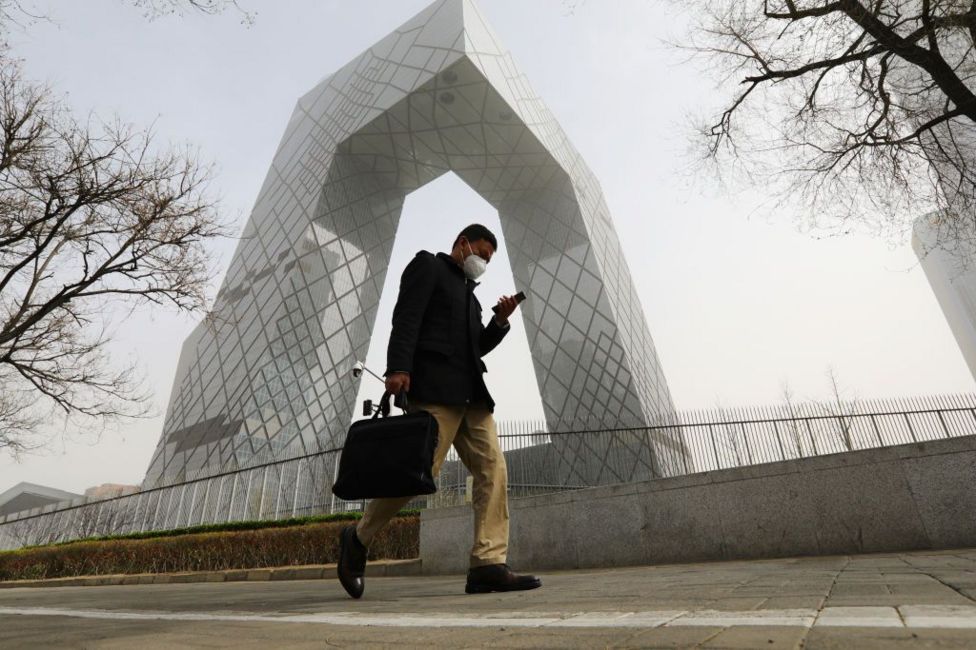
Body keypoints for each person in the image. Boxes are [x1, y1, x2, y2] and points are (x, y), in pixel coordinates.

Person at [337, 223, 542, 598]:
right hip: (435, 390)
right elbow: (407, 316)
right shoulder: (428, 267)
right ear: (463, 244)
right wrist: (398, 366)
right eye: (481, 253)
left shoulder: (472, 297)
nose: (482, 262)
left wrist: (499, 321)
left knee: (493, 468)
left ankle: (488, 563)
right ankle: (358, 538)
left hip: (473, 397)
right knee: (417, 472)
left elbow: (475, 347)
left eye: (489, 260)